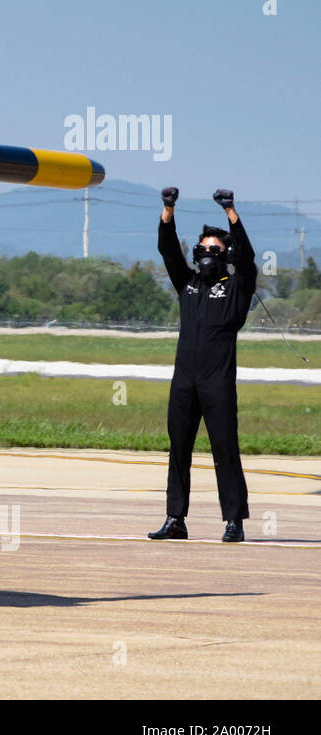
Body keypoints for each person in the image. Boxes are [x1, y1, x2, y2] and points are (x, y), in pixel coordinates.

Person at [149, 188, 256, 542]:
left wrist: (230, 213)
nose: (208, 254)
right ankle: (175, 518)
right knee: (178, 448)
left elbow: (248, 257)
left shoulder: (236, 288)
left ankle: (234, 522)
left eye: (216, 250)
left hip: (218, 384)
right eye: (204, 249)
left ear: (225, 255)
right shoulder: (188, 285)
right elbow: (167, 250)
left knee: (225, 450)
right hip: (184, 382)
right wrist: (168, 209)